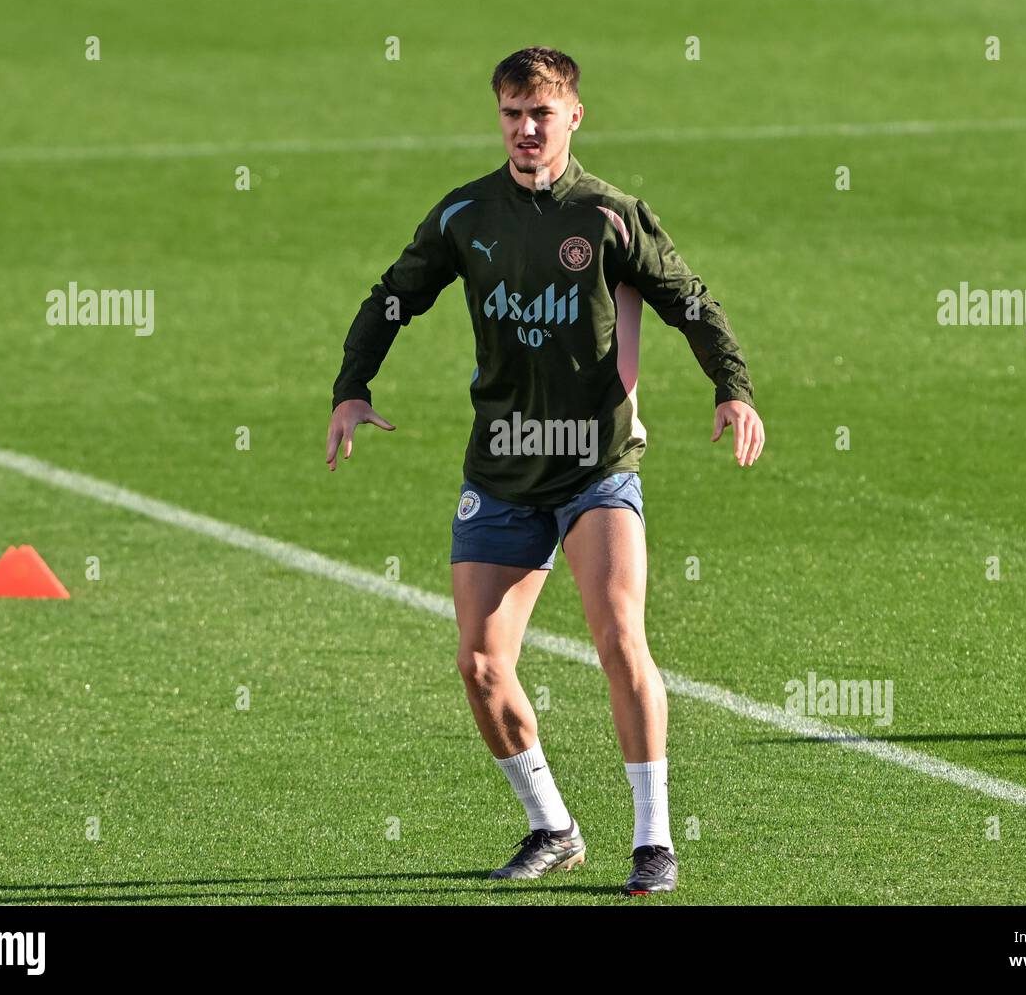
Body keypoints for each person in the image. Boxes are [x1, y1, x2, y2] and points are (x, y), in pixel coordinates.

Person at [327, 46, 763, 895]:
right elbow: (392, 297)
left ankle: (653, 840)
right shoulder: (464, 215)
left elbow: (691, 302)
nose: (525, 130)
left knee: (617, 636)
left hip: (596, 465)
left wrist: (732, 389)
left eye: (541, 114)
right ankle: (553, 827)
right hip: (499, 471)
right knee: (480, 666)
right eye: (511, 114)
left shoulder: (609, 215)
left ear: (573, 117)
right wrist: (352, 389)